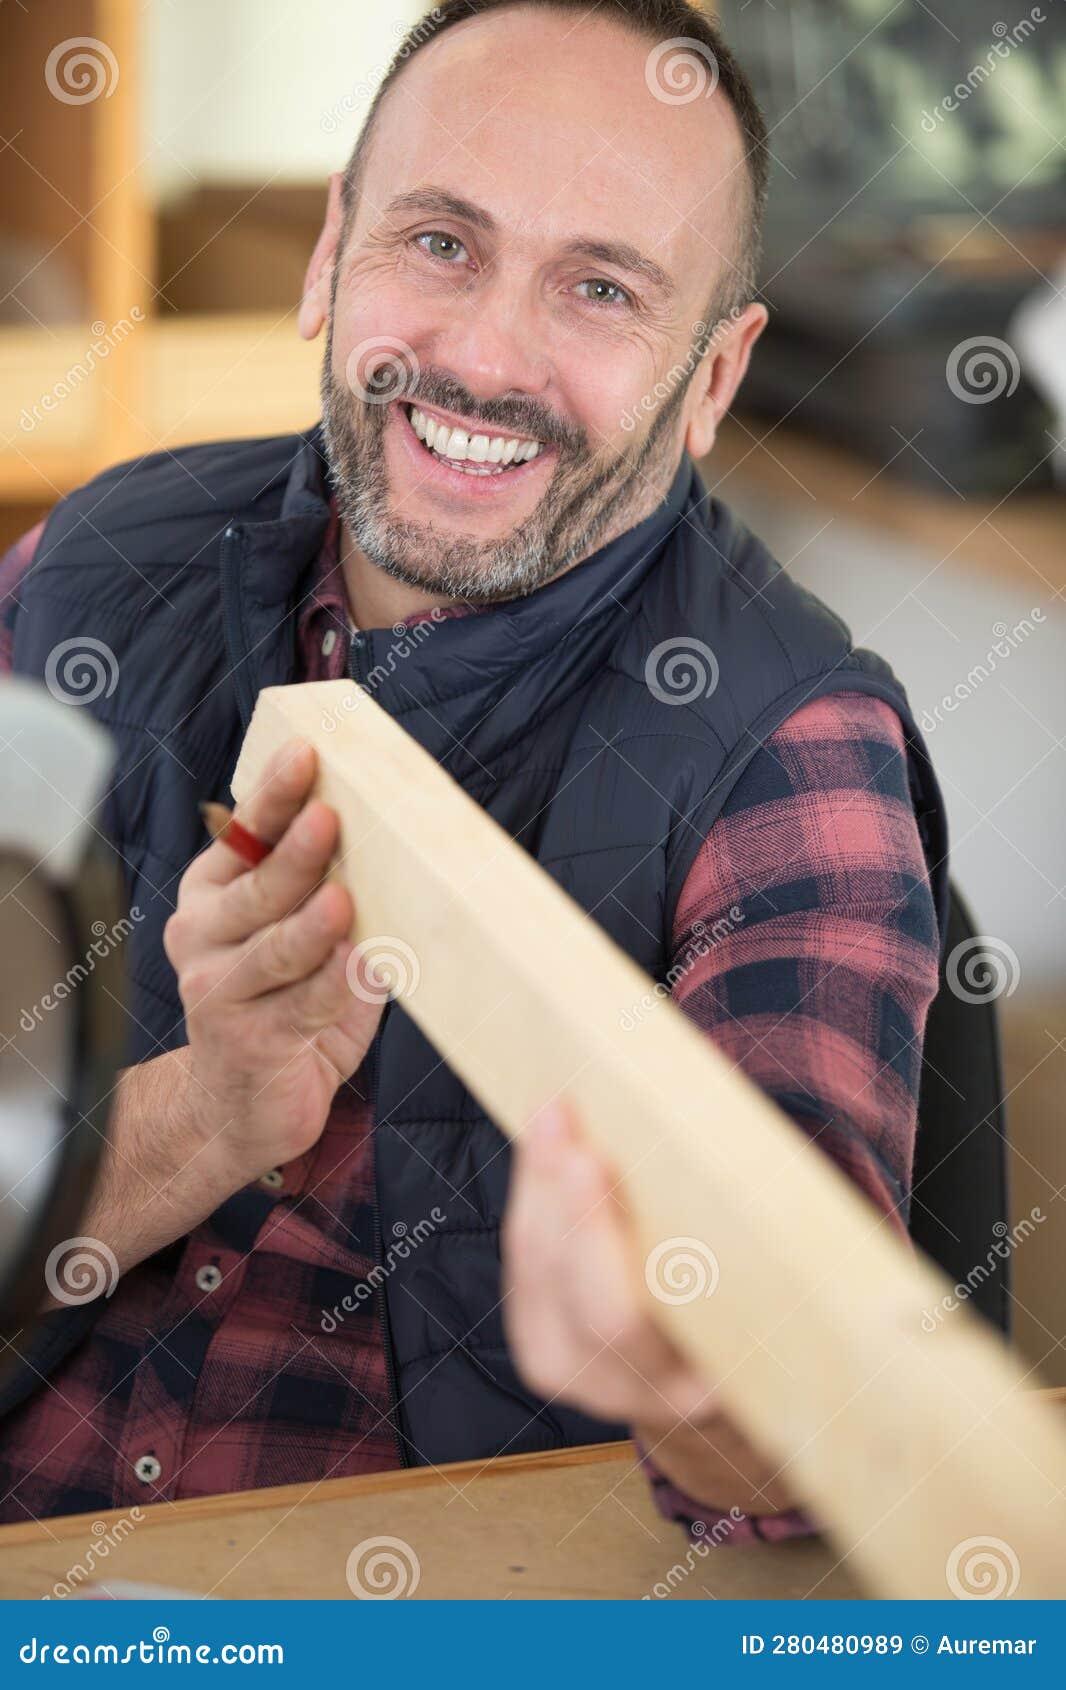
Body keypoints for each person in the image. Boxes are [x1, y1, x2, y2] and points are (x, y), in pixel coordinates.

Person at [0, 0, 946, 1545]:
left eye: (598, 288)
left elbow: (811, 1442)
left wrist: (695, 1365)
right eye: (439, 242)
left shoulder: (789, 747)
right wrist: (213, 1109)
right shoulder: (86, 573)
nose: (485, 354)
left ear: (713, 379)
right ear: (331, 254)